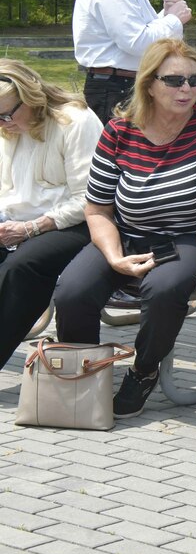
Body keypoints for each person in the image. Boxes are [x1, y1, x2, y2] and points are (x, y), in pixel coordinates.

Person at [53, 39, 196, 417]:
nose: (186, 88)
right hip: (124, 233)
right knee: (72, 290)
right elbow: (98, 207)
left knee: (164, 288)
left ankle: (143, 370)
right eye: (174, 81)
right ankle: (85, 377)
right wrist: (114, 256)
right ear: (149, 84)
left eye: (193, 79)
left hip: (185, 238)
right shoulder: (120, 129)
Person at [0, 61, 104, 362]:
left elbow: (90, 198)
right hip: (16, 221)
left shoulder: (75, 121)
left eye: (8, 114)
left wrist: (32, 228)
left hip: (75, 223)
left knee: (21, 267)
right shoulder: (8, 126)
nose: (3, 123)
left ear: (31, 97)